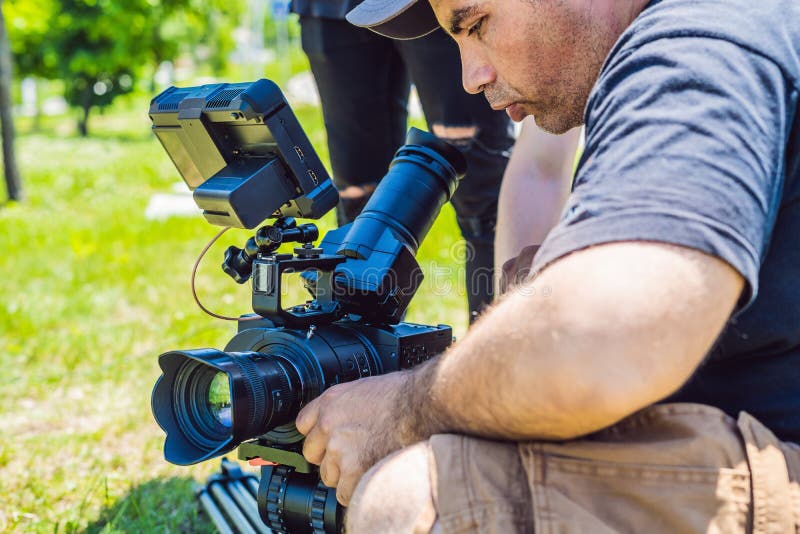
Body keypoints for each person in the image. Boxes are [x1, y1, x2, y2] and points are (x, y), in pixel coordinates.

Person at [296, 0, 800, 531]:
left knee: (420, 497)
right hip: (742, 431)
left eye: (475, 25)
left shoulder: (697, 49)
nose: (471, 77)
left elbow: (605, 342)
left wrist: (401, 411)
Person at [291, 0, 517, 323]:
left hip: (438, 8)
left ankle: (495, 358)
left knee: (484, 201)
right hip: (332, 10)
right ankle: (365, 362)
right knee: (360, 208)